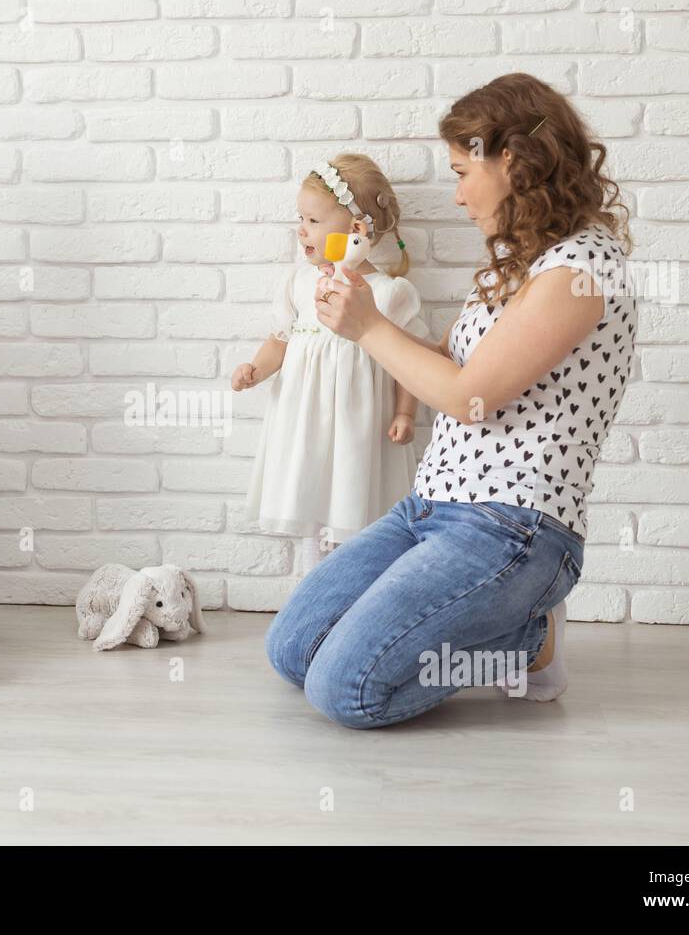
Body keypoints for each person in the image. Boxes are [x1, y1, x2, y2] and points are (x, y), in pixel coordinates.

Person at [265, 73, 636, 725]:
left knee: (343, 691)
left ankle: (529, 639)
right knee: (291, 648)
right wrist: (354, 325)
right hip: (431, 505)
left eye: (465, 171)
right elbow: (446, 365)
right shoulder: (518, 263)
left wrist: (371, 327)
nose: (458, 193)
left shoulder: (579, 272)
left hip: (513, 526)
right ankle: (476, 625)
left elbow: (469, 399)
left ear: (515, 163)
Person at [233, 153, 430, 574]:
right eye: (301, 218)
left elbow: (408, 362)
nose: (301, 229)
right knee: (312, 500)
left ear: (357, 228)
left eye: (313, 221)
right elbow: (281, 340)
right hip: (305, 420)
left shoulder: (387, 292)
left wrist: (404, 411)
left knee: (351, 499)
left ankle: (351, 589)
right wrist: (256, 369)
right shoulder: (300, 283)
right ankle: (311, 587)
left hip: (358, 422)